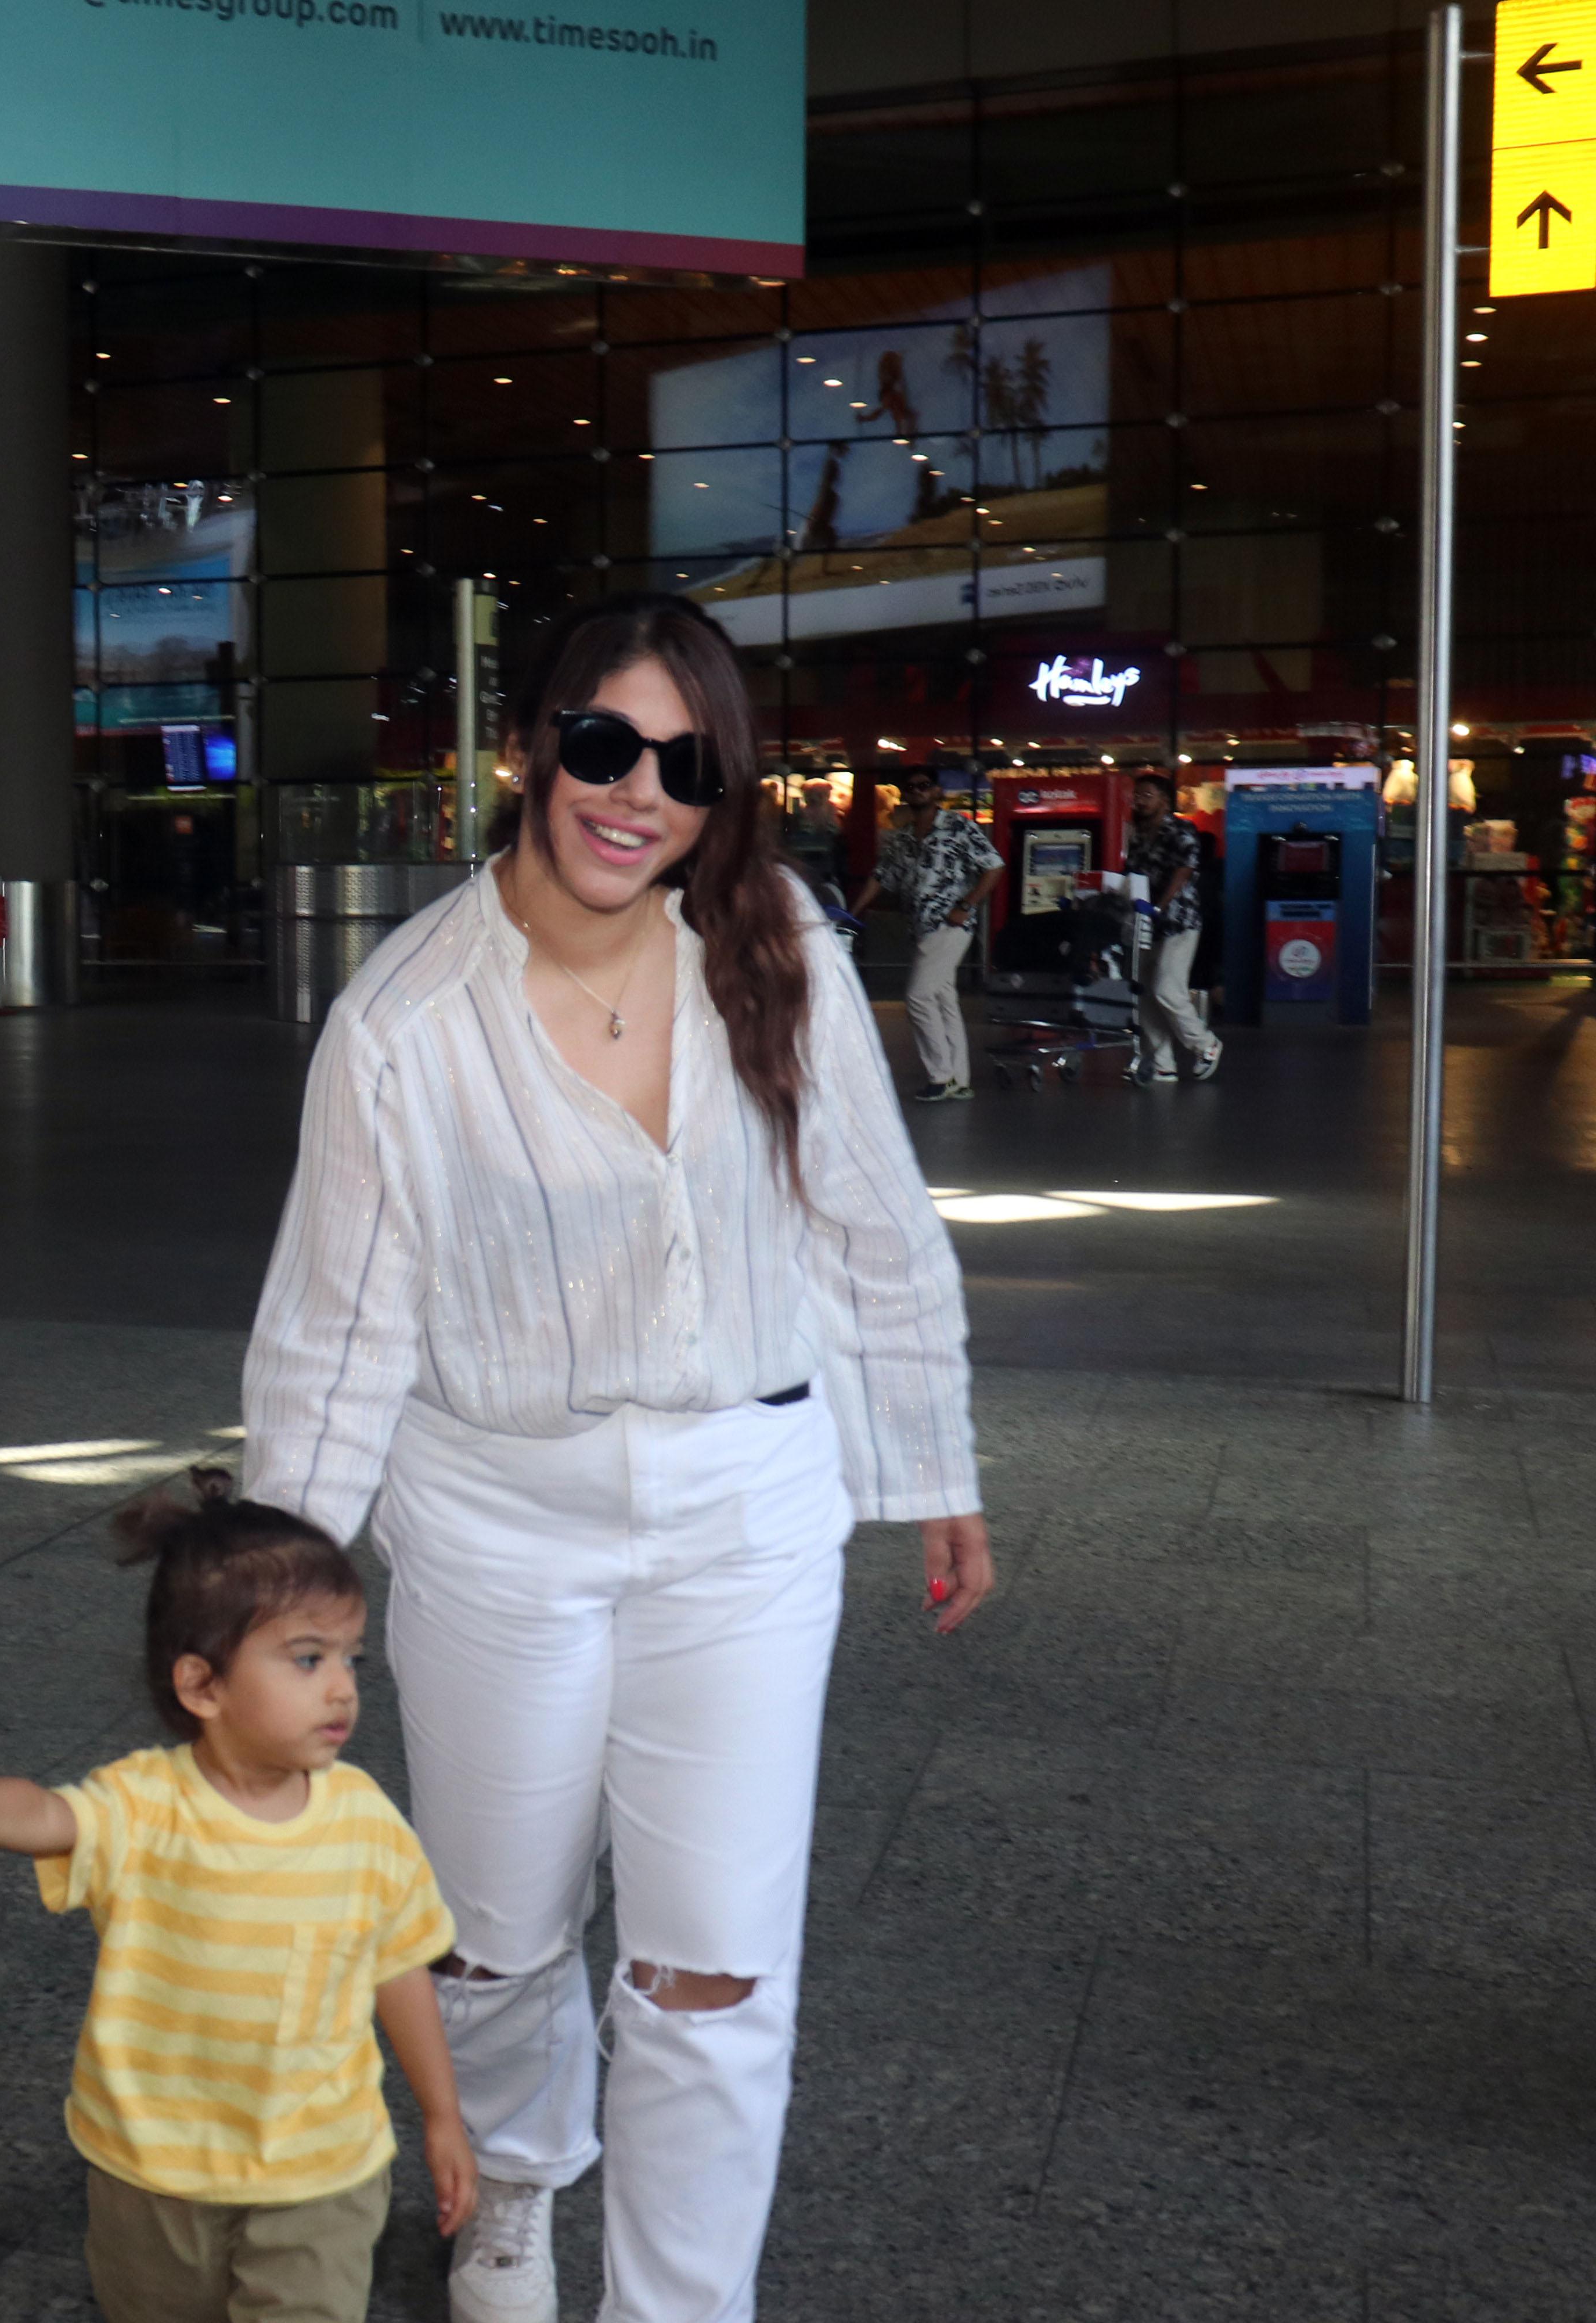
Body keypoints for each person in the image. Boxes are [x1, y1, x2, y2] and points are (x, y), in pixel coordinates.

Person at [244, 595, 993, 2323]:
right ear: (528, 746)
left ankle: (677, 2302)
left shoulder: (774, 948)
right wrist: (276, 1594)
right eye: (600, 744)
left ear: (720, 786)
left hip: (743, 1519)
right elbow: (334, 1322)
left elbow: (873, 1228)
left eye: (683, 760)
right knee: (496, 1940)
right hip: (495, 1529)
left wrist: (929, 1464)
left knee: (711, 1973)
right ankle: (508, 2180)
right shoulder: (405, 1020)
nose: (631, 791)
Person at [0, 1473, 477, 2323]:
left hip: (321, 2166)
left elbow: (400, 1966)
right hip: (151, 2167)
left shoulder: (366, 1821)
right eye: (307, 1659)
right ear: (203, 1688)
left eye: (350, 1657)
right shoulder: (145, 1806)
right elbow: (51, 1815)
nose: (342, 1687)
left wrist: (443, 2115)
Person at [851, 768, 1000, 1103]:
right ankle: (959, 1079)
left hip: (951, 926)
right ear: (906, 795)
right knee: (942, 1000)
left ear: (937, 792)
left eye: (925, 785)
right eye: (912, 787)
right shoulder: (903, 838)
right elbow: (880, 876)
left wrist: (966, 904)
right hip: (920, 928)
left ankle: (940, 1076)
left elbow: (994, 866)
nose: (917, 790)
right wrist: (853, 910)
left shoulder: (959, 827)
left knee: (918, 997)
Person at [1127, 774, 1222, 1083]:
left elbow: (1185, 868)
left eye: (1147, 795)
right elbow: (1133, 874)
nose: (1140, 800)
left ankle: (1205, 1045)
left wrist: (1161, 905)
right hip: (1145, 922)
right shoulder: (1139, 834)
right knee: (1144, 994)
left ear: (1165, 801)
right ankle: (1162, 1063)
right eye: (1137, 795)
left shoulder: (1181, 830)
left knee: (1168, 989)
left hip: (1180, 921)